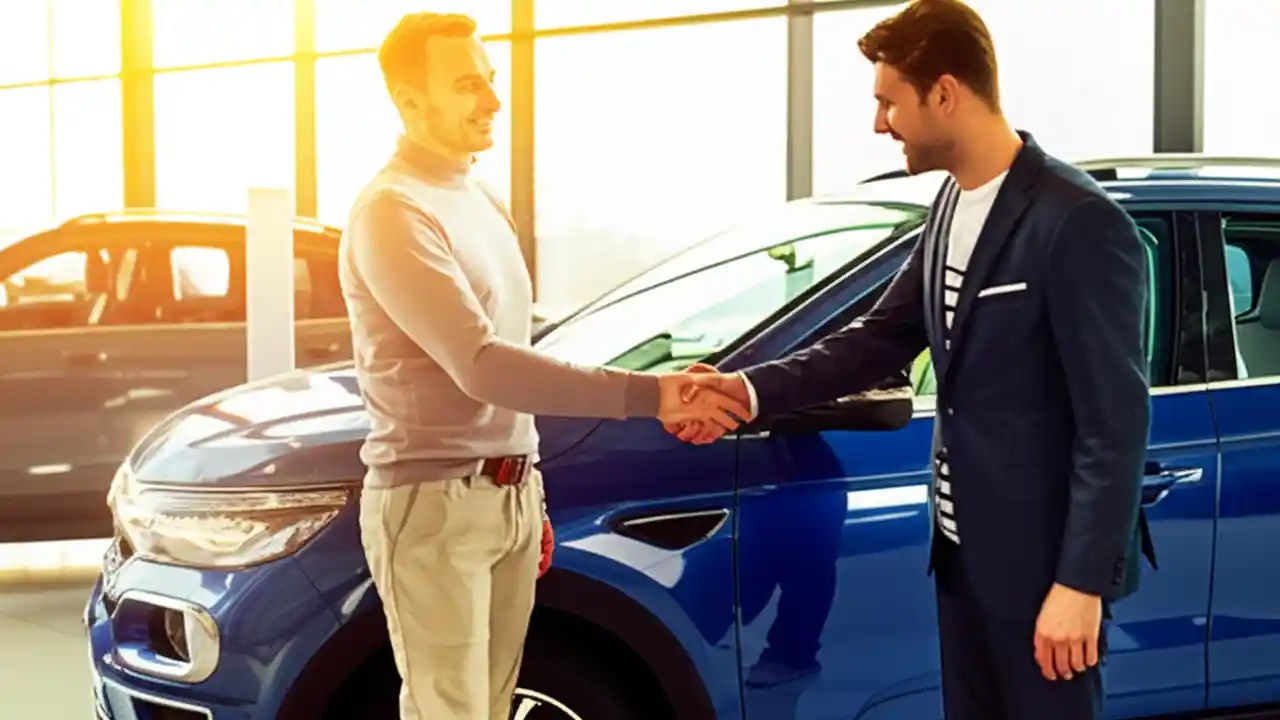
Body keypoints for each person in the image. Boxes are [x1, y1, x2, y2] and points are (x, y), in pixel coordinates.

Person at [673, 1, 1152, 718]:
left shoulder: (1078, 222)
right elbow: (876, 339)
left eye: (888, 103)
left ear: (945, 93)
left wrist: (1081, 585)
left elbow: (1112, 425)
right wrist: (745, 390)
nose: (878, 125)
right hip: (962, 560)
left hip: (1043, 575)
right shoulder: (953, 206)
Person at [337, 12, 749, 720]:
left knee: (492, 708)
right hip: (432, 504)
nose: (493, 102)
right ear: (409, 102)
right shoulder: (391, 213)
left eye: (491, 81)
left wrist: (527, 485)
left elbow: (515, 352)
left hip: (507, 499)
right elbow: (482, 365)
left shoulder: (476, 198)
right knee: (450, 712)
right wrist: (655, 396)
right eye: (468, 85)